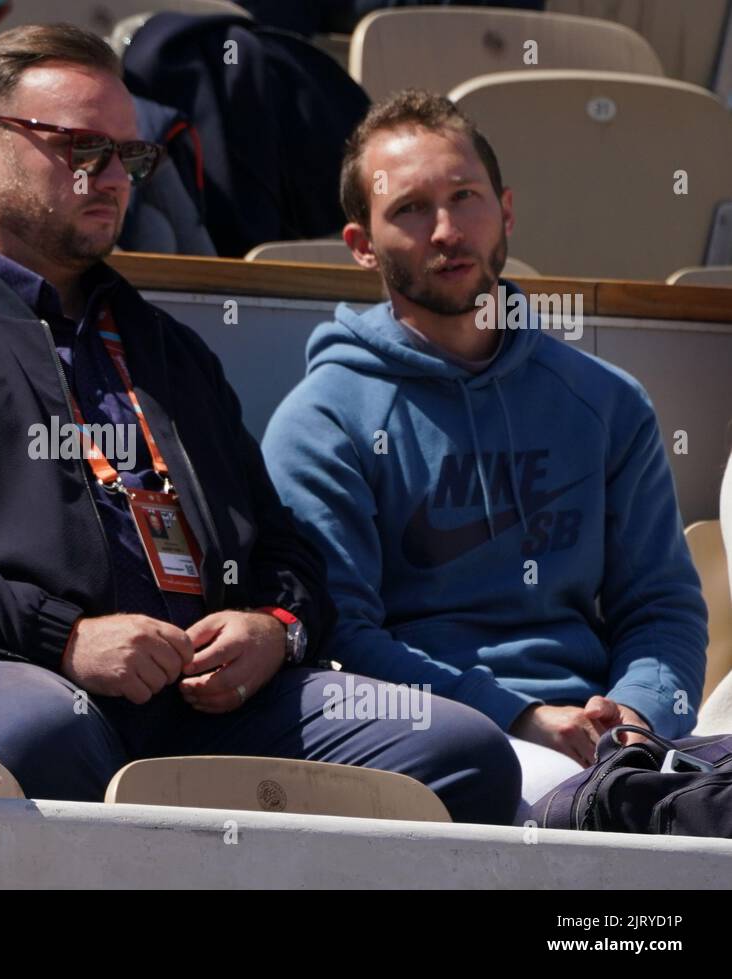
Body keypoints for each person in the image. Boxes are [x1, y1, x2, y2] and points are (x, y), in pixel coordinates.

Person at [0, 26, 522, 824]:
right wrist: (65, 638)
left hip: (215, 693)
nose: (111, 177)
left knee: (459, 751)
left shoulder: (168, 350)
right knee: (42, 736)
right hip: (20, 672)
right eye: (80, 148)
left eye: (129, 158)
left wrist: (275, 627)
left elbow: (285, 548)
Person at [261, 90, 708, 812]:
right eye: (409, 208)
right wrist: (516, 716)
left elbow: (661, 605)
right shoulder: (320, 421)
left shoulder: (607, 401)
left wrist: (637, 715)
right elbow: (342, 635)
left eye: (464, 197)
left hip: (610, 739)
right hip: (449, 742)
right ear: (361, 244)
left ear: (505, 210)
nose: (446, 230)